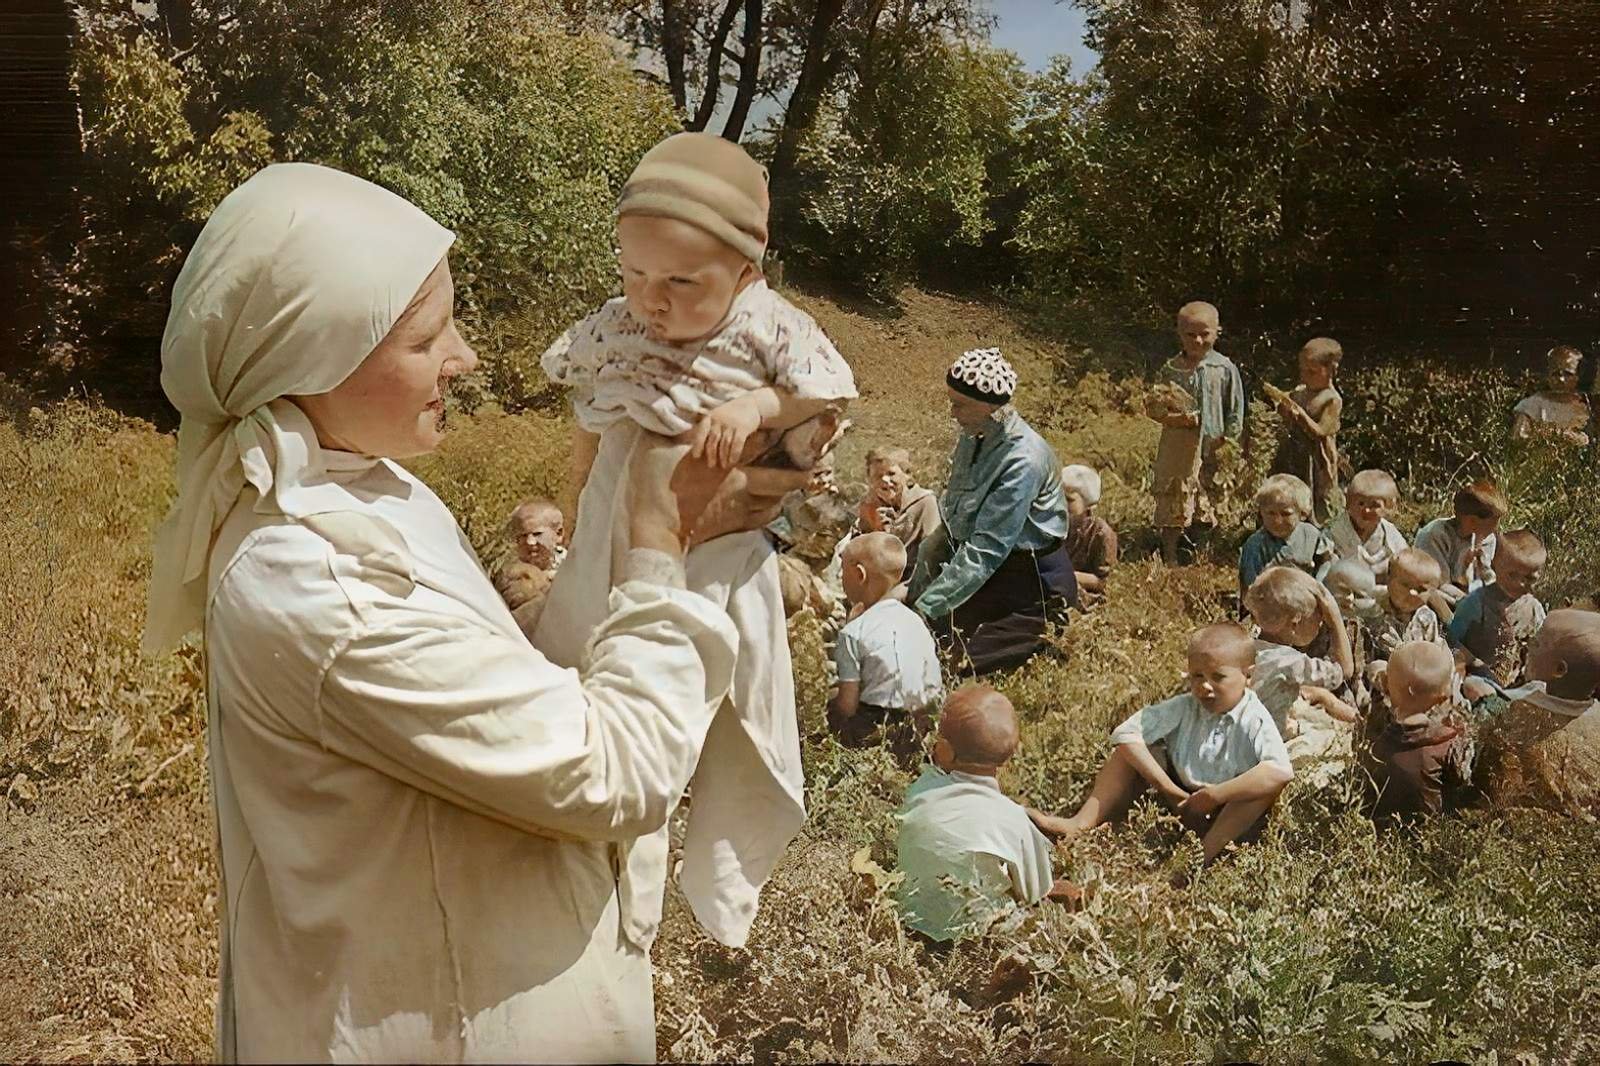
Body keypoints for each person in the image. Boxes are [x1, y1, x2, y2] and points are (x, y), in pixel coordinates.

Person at [142, 162, 816, 1062]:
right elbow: (618, 773)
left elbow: (514, 677)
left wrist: (616, 522)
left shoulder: (367, 489)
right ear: (312, 355)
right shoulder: (323, 584)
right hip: (446, 1026)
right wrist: (663, 540)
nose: (463, 356)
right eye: (428, 339)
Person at [537, 133, 858, 951]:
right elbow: (585, 410)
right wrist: (578, 498)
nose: (654, 299)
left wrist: (756, 411)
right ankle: (608, 874)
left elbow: (824, 388)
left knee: (702, 699)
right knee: (590, 678)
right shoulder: (620, 324)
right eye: (636, 274)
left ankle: (693, 875)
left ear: (747, 273)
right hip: (622, 512)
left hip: (717, 528)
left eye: (683, 281)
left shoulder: (768, 326)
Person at [1028, 623, 1293, 864]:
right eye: (1197, 676)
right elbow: (1126, 733)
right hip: (1179, 795)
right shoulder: (1186, 706)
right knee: (1126, 752)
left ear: (1248, 676)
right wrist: (1168, 789)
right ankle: (1080, 823)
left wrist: (1216, 795)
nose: (1205, 687)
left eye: (1218, 677)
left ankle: (1200, 855)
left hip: (1224, 807)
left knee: (1261, 791)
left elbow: (1280, 771)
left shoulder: (1254, 718)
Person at [909, 348, 1077, 675]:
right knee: (927, 638)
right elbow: (957, 519)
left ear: (988, 406)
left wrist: (924, 608)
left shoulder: (1024, 460)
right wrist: (922, 584)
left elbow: (987, 548)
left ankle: (1045, 637)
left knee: (954, 665)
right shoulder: (976, 434)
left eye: (960, 405)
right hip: (989, 573)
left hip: (1032, 583)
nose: (953, 413)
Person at [894, 686, 1055, 942]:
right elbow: (1036, 893)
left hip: (910, 924)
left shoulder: (922, 788)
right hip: (979, 937)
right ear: (1009, 756)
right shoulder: (1013, 821)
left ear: (946, 750)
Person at [828, 533, 943, 769]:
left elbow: (847, 706)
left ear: (860, 575)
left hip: (877, 727)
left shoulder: (854, 632)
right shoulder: (916, 620)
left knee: (830, 704)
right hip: (923, 724)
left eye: (843, 570)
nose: (841, 577)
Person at [1146, 301, 1246, 564]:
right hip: (1178, 445)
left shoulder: (1224, 368)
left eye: (1205, 334)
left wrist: (1231, 442)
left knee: (1208, 493)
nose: (1198, 340)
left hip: (1213, 443)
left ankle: (1200, 550)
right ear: (1179, 333)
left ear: (1217, 332)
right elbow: (1155, 407)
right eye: (1190, 335)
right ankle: (1169, 553)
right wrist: (1178, 418)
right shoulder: (1171, 368)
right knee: (1176, 493)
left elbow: (1235, 409)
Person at [1475, 609, 1600, 815]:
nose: (1529, 646)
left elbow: (1487, 785)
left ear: (1559, 670)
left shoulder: (1510, 720)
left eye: (1538, 643)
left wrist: (1485, 701)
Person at [1362, 642, 1470, 824]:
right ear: (1443, 695)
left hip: (1384, 827)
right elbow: (1461, 779)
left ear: (1386, 684)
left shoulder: (1378, 739)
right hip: (1431, 830)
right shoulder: (1446, 742)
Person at [1244, 566, 1355, 739]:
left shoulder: (1249, 646)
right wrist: (1335, 618)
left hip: (1246, 733)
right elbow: (1344, 671)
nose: (1320, 624)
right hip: (1270, 741)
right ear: (1295, 623)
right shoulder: (1290, 661)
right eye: (1318, 617)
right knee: (1336, 734)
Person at [1447, 528, 1548, 696]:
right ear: (1494, 564)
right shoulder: (1477, 603)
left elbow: (1542, 646)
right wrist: (1468, 661)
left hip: (1516, 682)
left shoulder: (1533, 608)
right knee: (1474, 688)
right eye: (1512, 575)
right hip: (1481, 677)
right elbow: (1453, 640)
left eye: (1530, 578)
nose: (1520, 583)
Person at [1269, 337, 1345, 523]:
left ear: (1331, 370)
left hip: (1317, 459)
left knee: (1317, 497)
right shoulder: (1301, 390)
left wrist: (1301, 416)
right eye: (1302, 371)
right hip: (1294, 455)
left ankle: (1318, 531)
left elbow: (1320, 431)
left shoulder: (1331, 399)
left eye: (1311, 372)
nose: (1304, 377)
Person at [1238, 473, 1334, 603]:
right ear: (1261, 512)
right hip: (1271, 603)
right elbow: (1251, 587)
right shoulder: (1256, 545)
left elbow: (1326, 560)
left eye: (1286, 514)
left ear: (1302, 513)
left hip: (1309, 599)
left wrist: (1319, 585)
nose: (1277, 521)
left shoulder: (1310, 535)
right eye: (1271, 513)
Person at [1414, 478, 1508, 608]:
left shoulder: (1487, 538)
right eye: (1493, 523)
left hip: (1470, 595)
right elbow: (1440, 584)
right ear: (1472, 521)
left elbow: (1486, 579)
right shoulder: (1435, 536)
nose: (1495, 528)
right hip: (1438, 592)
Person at [856, 445, 942, 578]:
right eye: (878, 476)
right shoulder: (869, 506)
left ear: (907, 475)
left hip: (915, 577)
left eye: (891, 474)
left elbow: (932, 553)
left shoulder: (925, 503)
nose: (885, 480)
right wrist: (878, 531)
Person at [493, 497, 565, 636]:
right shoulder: (506, 576)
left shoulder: (575, 571)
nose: (530, 542)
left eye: (537, 534)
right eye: (522, 536)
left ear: (559, 534)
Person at [1322, 468, 1407, 582]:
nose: (1366, 510)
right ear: (1348, 503)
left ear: (1388, 507)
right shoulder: (1334, 534)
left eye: (1374, 505)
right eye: (1360, 504)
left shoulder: (1389, 533)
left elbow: (1404, 560)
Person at [1510, 345, 1590, 447]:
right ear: (1548, 375)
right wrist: (1555, 435)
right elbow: (1518, 437)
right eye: (1556, 374)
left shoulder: (1587, 405)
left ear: (1577, 377)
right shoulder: (1532, 405)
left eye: (1568, 374)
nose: (1561, 380)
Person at [1061, 462, 1119, 601]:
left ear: (1087, 503)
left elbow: (1103, 582)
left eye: (1069, 500)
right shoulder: (1053, 525)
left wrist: (1066, 576)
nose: (1061, 504)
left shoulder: (1100, 533)